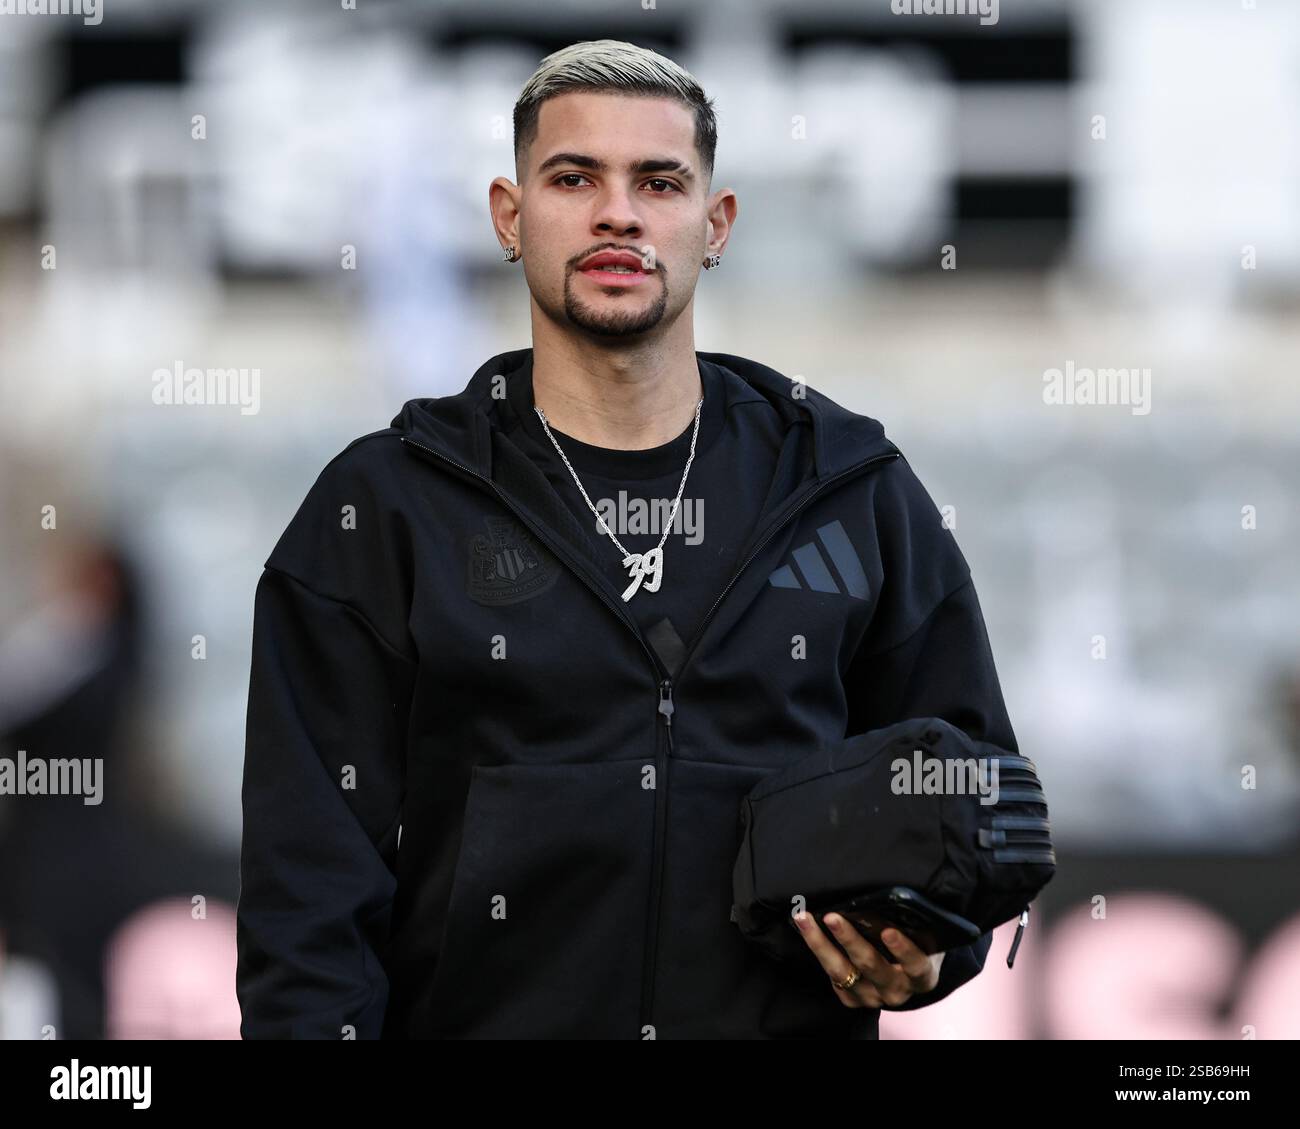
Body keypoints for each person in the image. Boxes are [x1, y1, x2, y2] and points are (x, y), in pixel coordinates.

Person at [236, 39, 1018, 1039]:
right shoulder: (383, 506)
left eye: (658, 181)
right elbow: (307, 907)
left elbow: (970, 787)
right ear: (508, 218)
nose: (619, 213)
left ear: (715, 223)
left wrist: (927, 952)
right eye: (574, 178)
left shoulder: (843, 489)